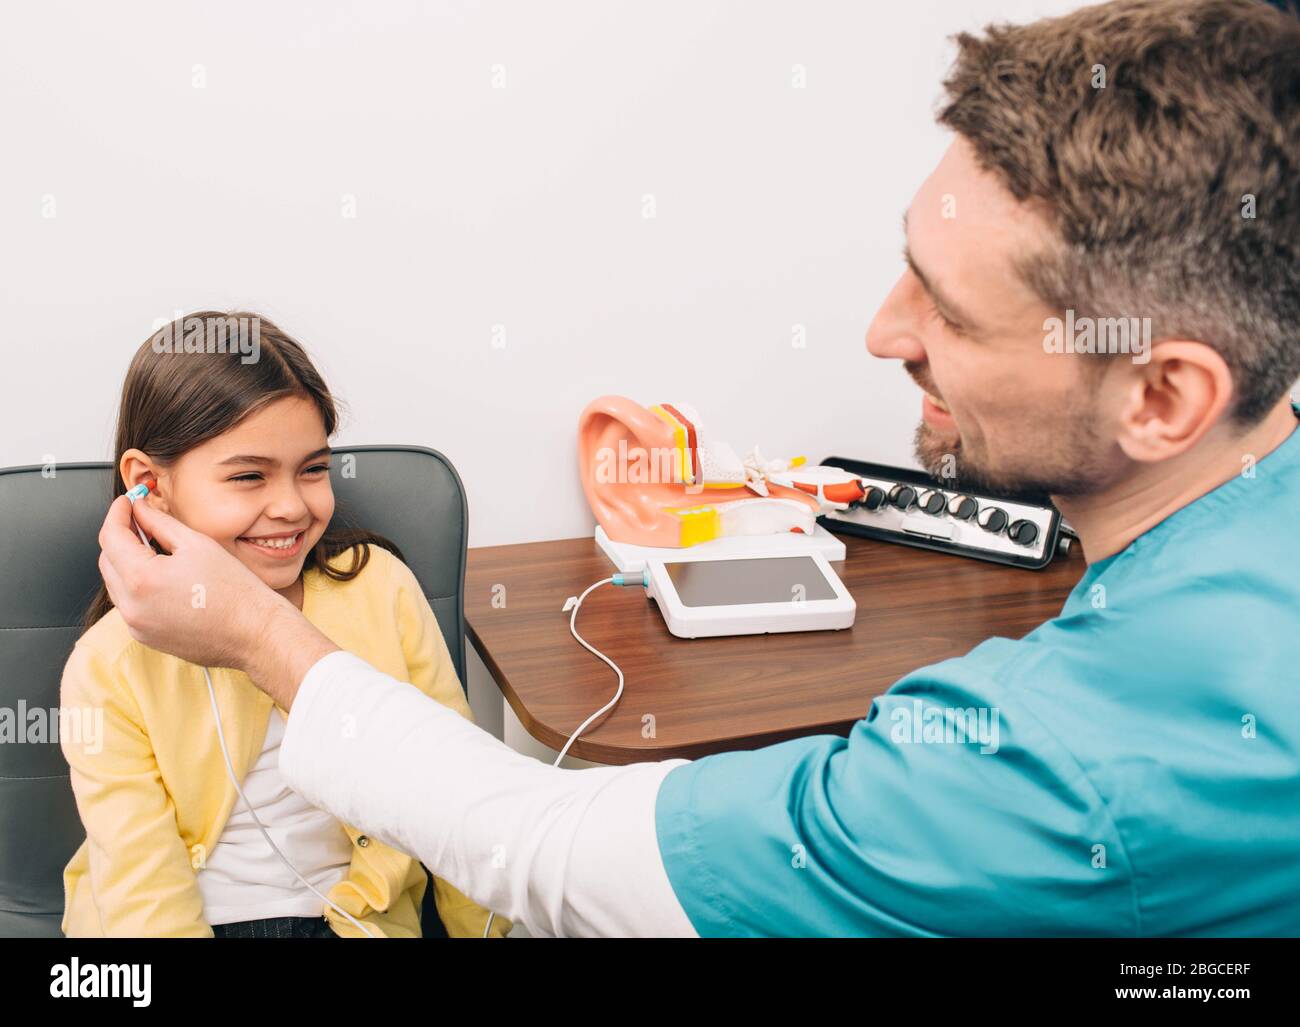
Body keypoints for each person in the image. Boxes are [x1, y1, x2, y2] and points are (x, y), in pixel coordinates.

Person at [94, 0, 1300, 936]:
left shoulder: (1064, 762)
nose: (884, 333)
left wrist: (259, 639)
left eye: (951, 311)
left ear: (1162, 394)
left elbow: (557, 852)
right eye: (904, 267)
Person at [63, 313, 509, 938]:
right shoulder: (109, 663)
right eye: (249, 476)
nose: (293, 506)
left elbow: (456, 790)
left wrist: (484, 933)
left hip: (360, 918)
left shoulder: (381, 589)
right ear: (148, 487)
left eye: (313, 468)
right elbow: (143, 895)